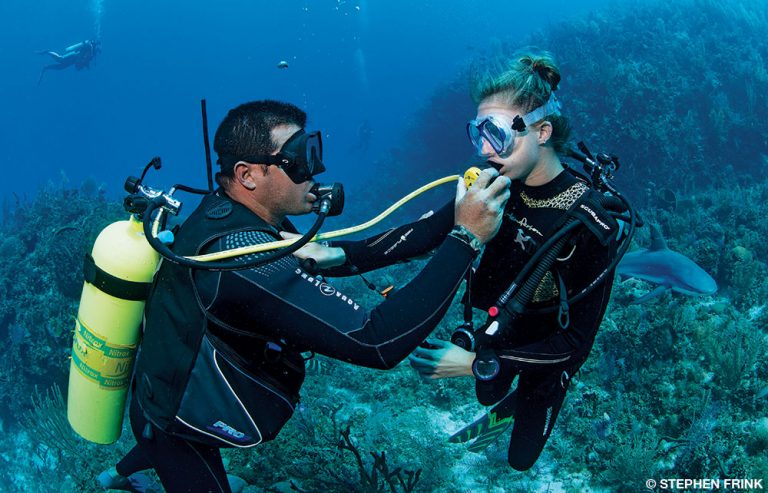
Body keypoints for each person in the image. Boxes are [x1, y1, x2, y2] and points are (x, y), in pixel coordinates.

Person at [97, 100, 510, 492]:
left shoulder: (233, 213)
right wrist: (467, 238)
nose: (313, 171)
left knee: (154, 436)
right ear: (248, 175)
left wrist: (464, 209)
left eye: (311, 152)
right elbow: (376, 343)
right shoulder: (247, 259)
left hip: (158, 383)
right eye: (296, 159)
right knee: (174, 451)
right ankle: (137, 466)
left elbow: (349, 254)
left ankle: (120, 473)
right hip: (178, 419)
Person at [291, 50, 622, 471]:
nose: (484, 149)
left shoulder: (589, 224)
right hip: (499, 327)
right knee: (488, 390)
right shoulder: (499, 184)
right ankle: (496, 379)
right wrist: (339, 254)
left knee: (521, 459)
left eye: (497, 133)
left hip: (547, 351)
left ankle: (523, 394)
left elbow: (575, 345)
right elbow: (423, 234)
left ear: (542, 131)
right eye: (477, 133)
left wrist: (475, 364)